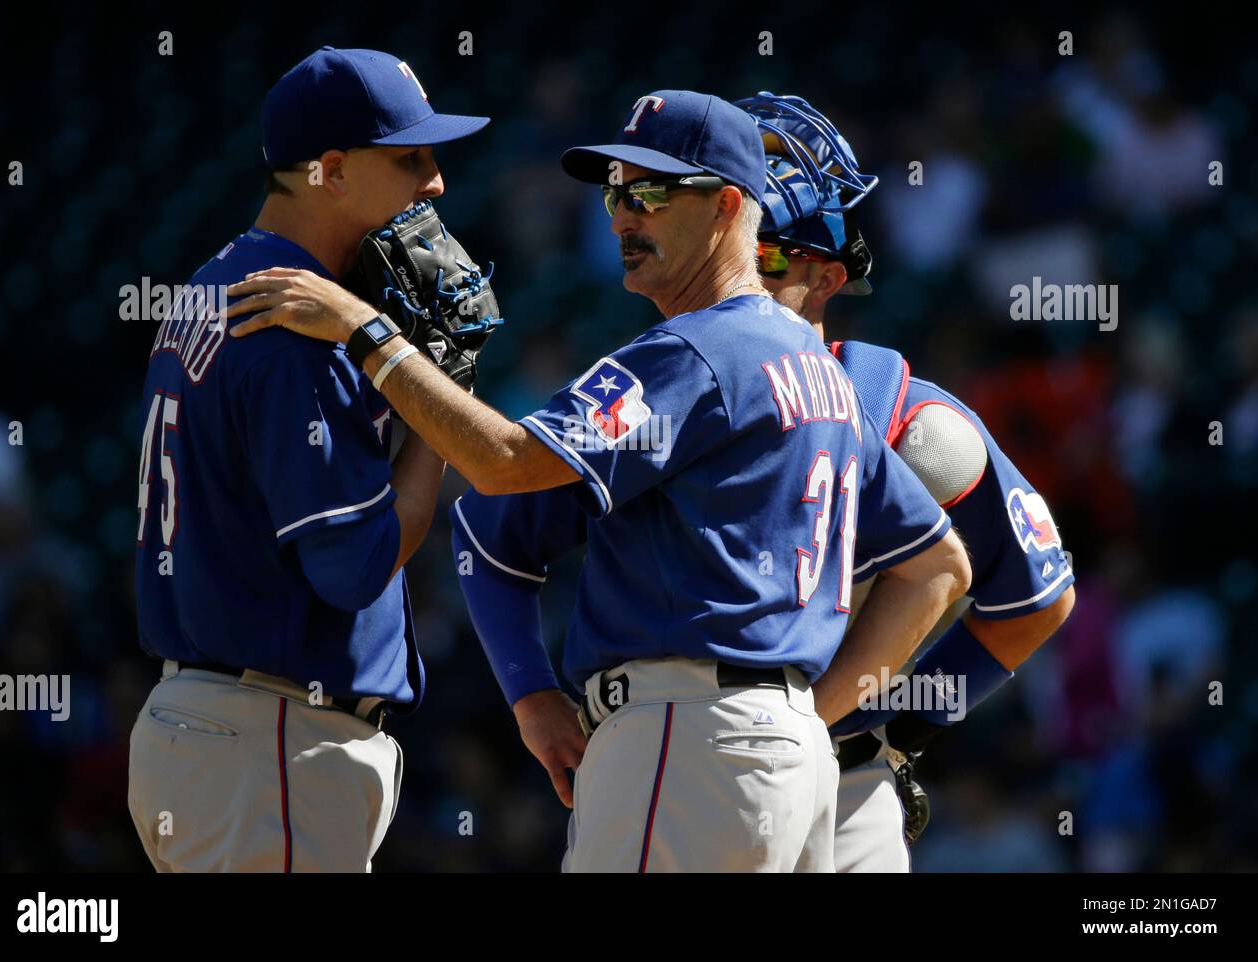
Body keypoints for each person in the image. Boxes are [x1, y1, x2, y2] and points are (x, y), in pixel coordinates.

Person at [225, 88, 972, 871]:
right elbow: (939, 567)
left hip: (687, 743)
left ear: (725, 206)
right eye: (615, 189)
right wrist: (809, 720)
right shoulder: (813, 371)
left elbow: (505, 466)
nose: (622, 215)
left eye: (649, 191)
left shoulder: (697, 353)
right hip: (789, 765)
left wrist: (363, 331)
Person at [128, 47, 487, 872]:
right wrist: (437, 399)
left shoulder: (214, 284)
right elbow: (355, 569)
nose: (435, 184)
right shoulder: (295, 319)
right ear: (330, 169)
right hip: (269, 741)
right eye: (410, 159)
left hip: (216, 729)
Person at [736, 92, 1076, 871]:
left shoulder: (902, 414)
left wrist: (895, 726)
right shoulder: (655, 391)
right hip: (678, 754)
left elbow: (1035, 600)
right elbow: (499, 530)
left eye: (766, 255)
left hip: (838, 782)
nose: (738, 272)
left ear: (825, 274)